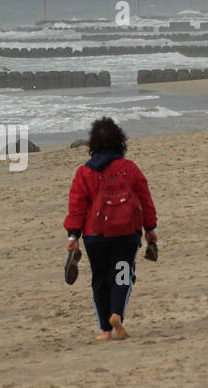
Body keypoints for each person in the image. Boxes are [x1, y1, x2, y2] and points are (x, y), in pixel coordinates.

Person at [64, 117, 157, 341]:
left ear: (92, 144)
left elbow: (77, 206)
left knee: (100, 279)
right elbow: (145, 200)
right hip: (127, 234)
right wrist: (150, 228)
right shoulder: (130, 169)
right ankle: (117, 314)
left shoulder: (84, 173)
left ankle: (105, 329)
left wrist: (73, 235)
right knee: (123, 275)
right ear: (120, 141)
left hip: (95, 236)